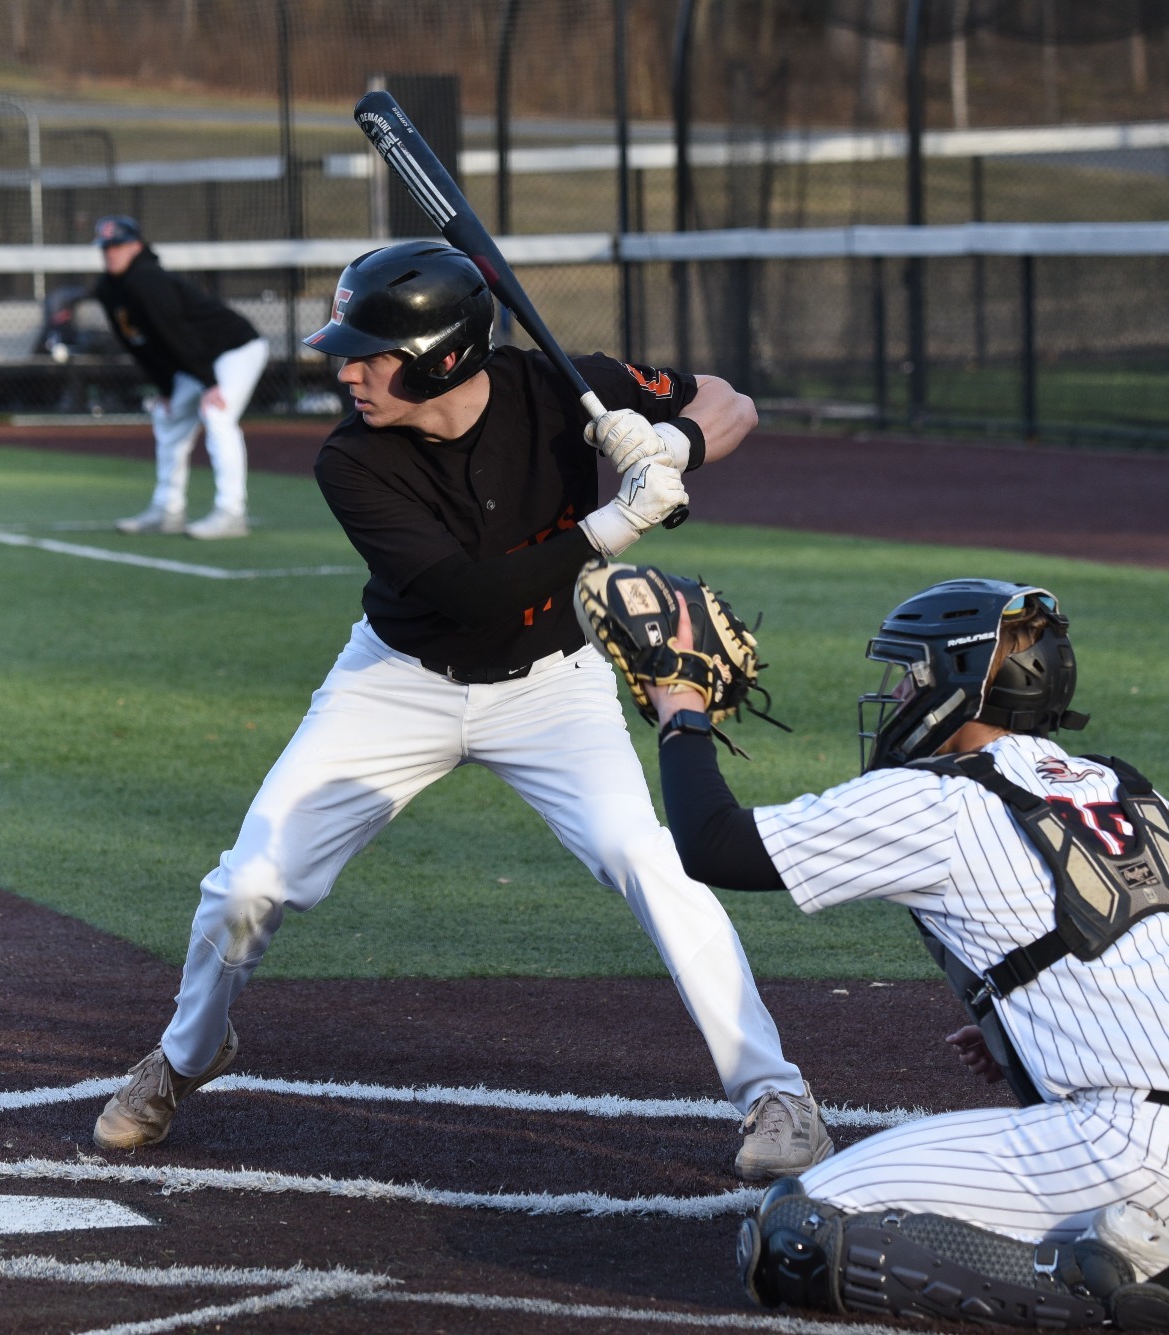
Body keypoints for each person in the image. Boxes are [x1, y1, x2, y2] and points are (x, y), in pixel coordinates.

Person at [91, 240, 835, 1183]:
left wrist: (668, 443)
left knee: (649, 858)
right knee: (247, 887)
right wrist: (618, 519)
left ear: (443, 355)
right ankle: (187, 1055)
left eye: (369, 352)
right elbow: (473, 593)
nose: (346, 370)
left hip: (553, 684)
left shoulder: (564, 386)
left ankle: (777, 1094)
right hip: (399, 680)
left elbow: (731, 402)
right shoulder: (352, 459)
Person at [634, 576, 1169, 1329]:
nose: (897, 694)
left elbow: (714, 844)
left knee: (796, 1232)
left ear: (955, 685)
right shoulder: (1132, 790)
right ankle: (1154, 1246)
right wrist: (1027, 1030)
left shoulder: (939, 798)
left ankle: (1137, 1276)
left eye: (909, 674)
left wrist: (682, 706)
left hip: (1159, 1160)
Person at [94, 216, 269, 540]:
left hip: (235, 348)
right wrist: (165, 388)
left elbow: (175, 331)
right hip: (197, 360)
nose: (110, 253)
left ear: (136, 246)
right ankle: (167, 509)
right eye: (105, 247)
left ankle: (232, 512)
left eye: (117, 246)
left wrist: (209, 383)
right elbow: (138, 343)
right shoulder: (108, 288)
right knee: (168, 415)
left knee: (217, 413)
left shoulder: (147, 278)